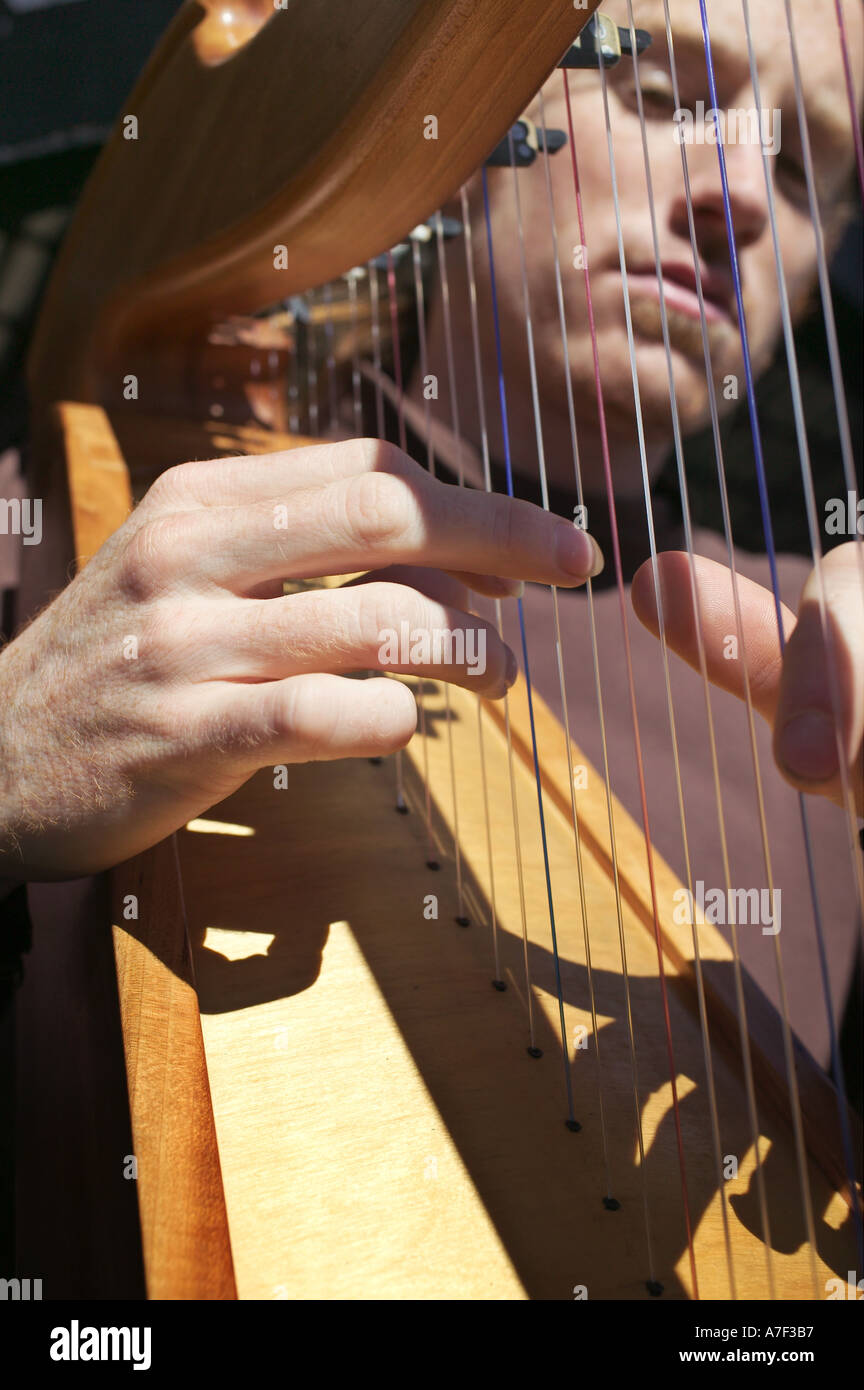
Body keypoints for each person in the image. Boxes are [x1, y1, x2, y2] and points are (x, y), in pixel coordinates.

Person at [0, 0, 861, 1079]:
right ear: (467, 135)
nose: (738, 193)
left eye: (801, 172)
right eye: (662, 97)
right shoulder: (102, 519)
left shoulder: (815, 667)